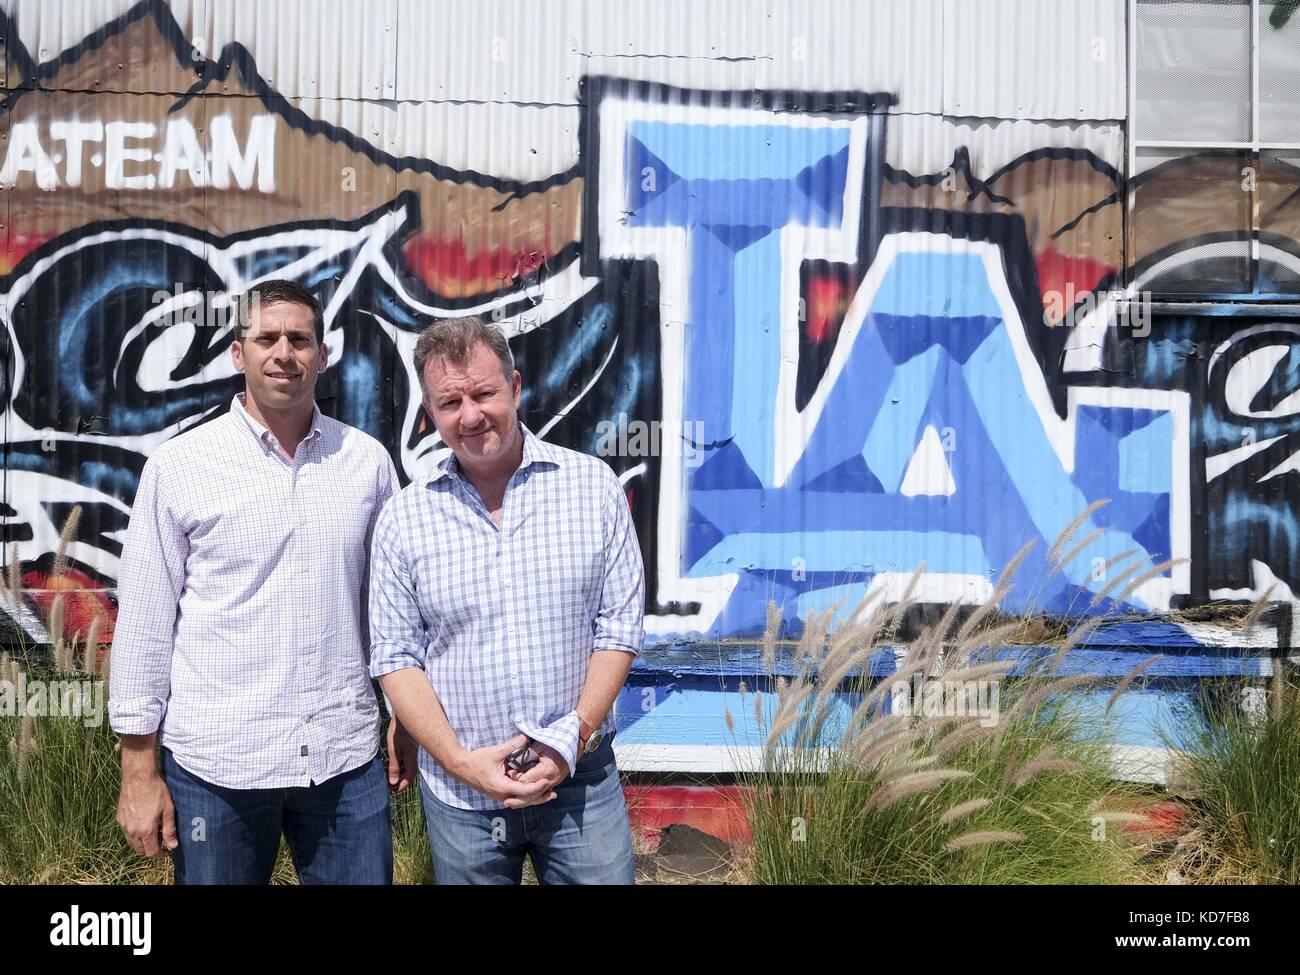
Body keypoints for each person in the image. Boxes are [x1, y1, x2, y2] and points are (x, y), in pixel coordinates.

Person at [109, 279, 415, 885]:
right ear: (238, 353)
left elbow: (391, 605)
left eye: (300, 339)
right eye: (266, 338)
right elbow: (145, 620)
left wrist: (403, 714)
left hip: (342, 759)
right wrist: (138, 770)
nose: (284, 353)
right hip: (216, 764)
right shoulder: (181, 466)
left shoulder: (366, 463)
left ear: (323, 356)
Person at [370, 316, 644, 885]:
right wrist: (459, 762)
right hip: (461, 795)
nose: (470, 416)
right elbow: (395, 656)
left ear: (515, 389)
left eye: (483, 394)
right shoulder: (404, 517)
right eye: (450, 402)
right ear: (430, 413)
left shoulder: (591, 488)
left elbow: (618, 628)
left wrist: (571, 740)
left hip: (580, 784)